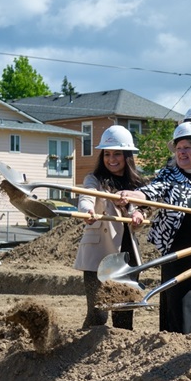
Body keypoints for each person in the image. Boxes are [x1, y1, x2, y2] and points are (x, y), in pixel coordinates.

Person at [121, 122, 191, 337]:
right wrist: (135, 197)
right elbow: (152, 190)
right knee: (181, 312)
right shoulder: (169, 176)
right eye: (178, 148)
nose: (182, 153)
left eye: (187, 147)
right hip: (179, 254)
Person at [72, 125, 145, 330]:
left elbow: (141, 210)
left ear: (127, 156)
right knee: (98, 314)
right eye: (107, 154)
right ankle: (84, 350)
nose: (111, 159)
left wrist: (138, 214)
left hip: (126, 254)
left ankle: (119, 356)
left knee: (123, 314)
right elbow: (86, 196)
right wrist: (87, 211)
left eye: (117, 154)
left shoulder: (137, 186)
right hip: (98, 255)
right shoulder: (94, 179)